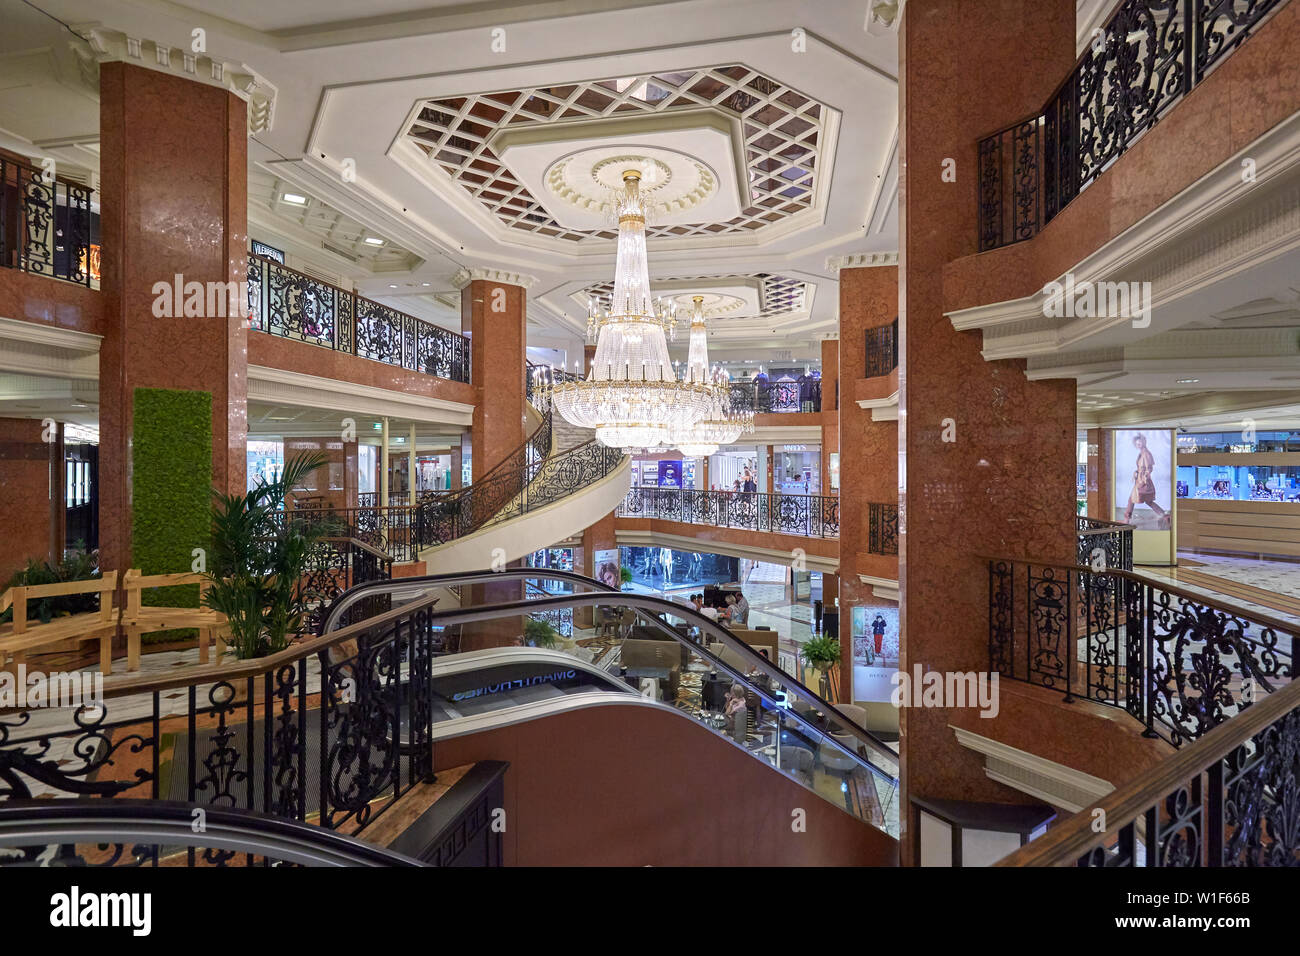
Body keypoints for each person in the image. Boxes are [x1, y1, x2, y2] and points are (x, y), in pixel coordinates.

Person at [1122, 433, 1169, 528]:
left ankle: (1126, 520)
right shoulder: (1142, 453)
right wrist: (1137, 473)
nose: (1138, 445)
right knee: (1148, 501)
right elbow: (1142, 468)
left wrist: (1143, 481)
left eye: (1139, 443)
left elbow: (1149, 469)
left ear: (1143, 442)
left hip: (1143, 482)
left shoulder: (1146, 454)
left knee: (1132, 499)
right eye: (1136, 443)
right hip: (1141, 480)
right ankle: (1165, 515)